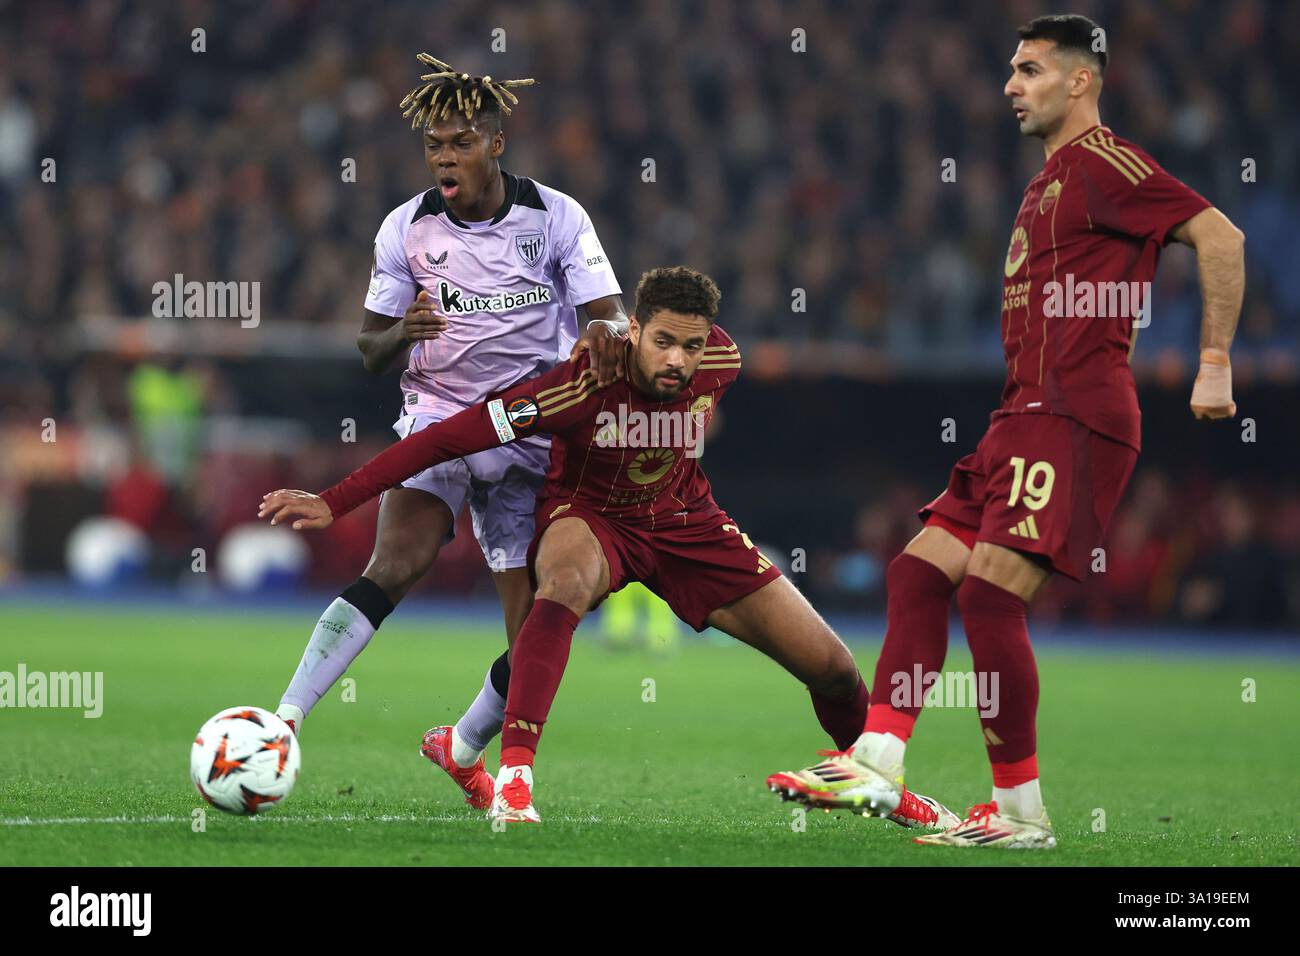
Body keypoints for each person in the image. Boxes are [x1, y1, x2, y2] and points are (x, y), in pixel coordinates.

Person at [767, 14, 1244, 849]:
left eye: (1028, 70)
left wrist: (1214, 360)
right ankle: (880, 757)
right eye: (1011, 71)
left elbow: (1220, 235)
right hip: (1015, 418)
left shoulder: (1107, 163)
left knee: (989, 596)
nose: (1010, 87)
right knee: (917, 576)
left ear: (1080, 80)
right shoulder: (1044, 184)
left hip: (1076, 414)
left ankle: (1019, 812)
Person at [259, 266, 959, 829]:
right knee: (559, 589)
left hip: (686, 523)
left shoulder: (724, 361)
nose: (679, 361)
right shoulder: (579, 383)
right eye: (663, 342)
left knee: (834, 669)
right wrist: (336, 498)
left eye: (691, 345)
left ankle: (879, 782)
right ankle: (517, 780)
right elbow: (448, 437)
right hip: (590, 517)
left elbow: (703, 393)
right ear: (632, 330)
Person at [274, 54, 629, 813]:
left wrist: (607, 335)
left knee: (538, 624)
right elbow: (370, 349)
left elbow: (609, 311)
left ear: (496, 144)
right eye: (435, 144)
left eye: (461, 141)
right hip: (439, 413)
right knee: (398, 558)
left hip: (533, 427)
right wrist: (405, 328)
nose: (444, 156)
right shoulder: (405, 228)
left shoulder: (559, 217)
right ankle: (283, 721)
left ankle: (464, 745)